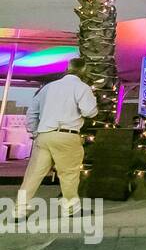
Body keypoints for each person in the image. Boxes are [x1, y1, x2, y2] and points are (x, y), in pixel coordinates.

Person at [18, 56, 97, 217]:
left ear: (68, 68)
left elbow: (32, 112)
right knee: (68, 174)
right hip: (67, 135)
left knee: (33, 175)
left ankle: (20, 210)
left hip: (44, 134)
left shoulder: (48, 87)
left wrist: (34, 132)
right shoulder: (82, 88)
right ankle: (71, 210)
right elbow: (89, 111)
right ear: (83, 70)